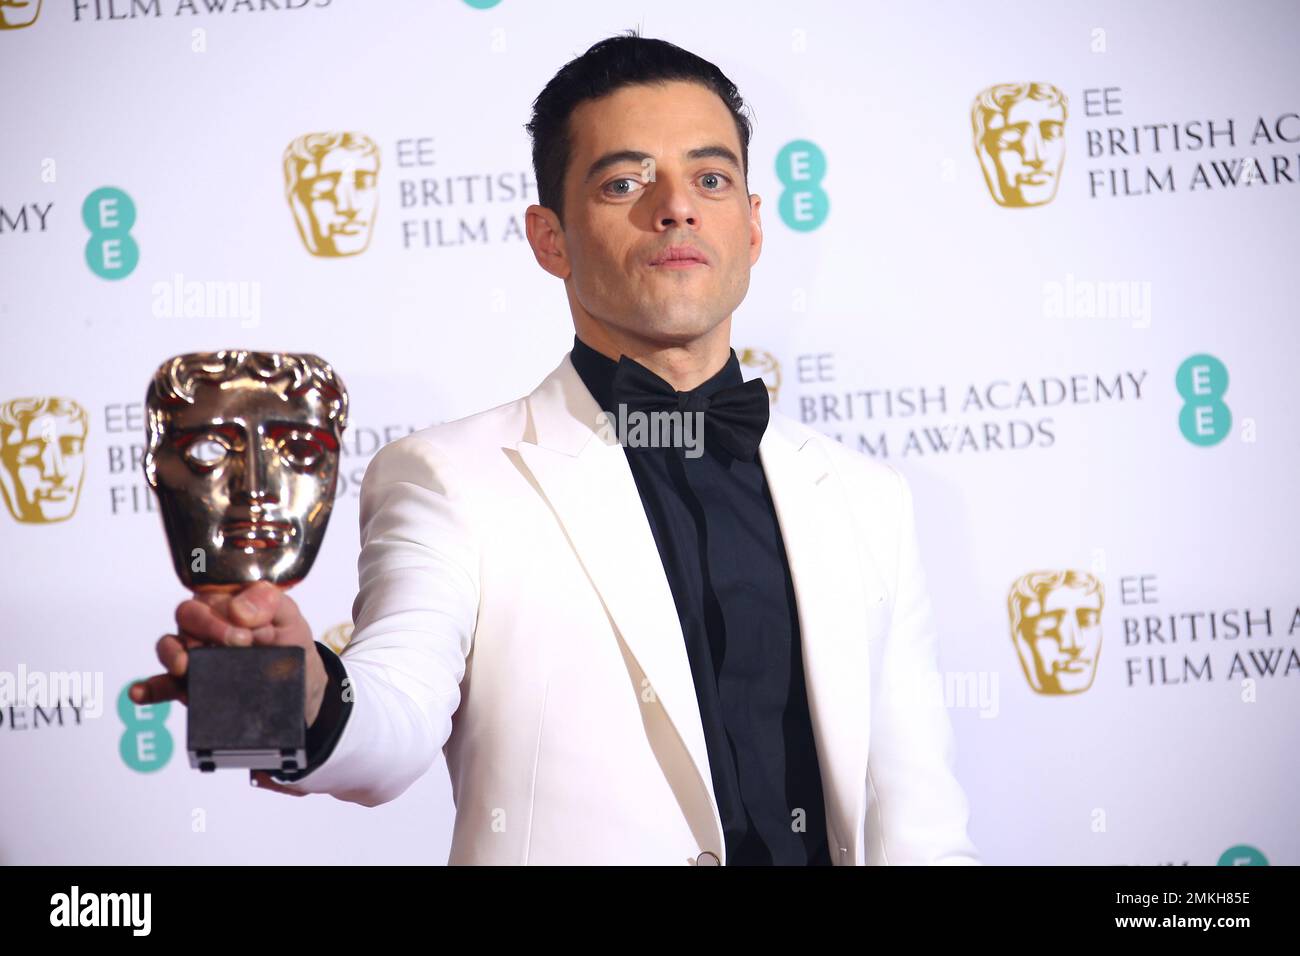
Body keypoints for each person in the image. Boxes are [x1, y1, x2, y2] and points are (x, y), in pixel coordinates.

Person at [132, 31, 979, 866]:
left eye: (711, 178)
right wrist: (267, 687)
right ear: (550, 239)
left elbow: (918, 823)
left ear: (753, 226)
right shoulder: (449, 480)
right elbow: (390, 723)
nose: (676, 206)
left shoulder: (867, 500)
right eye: (624, 182)